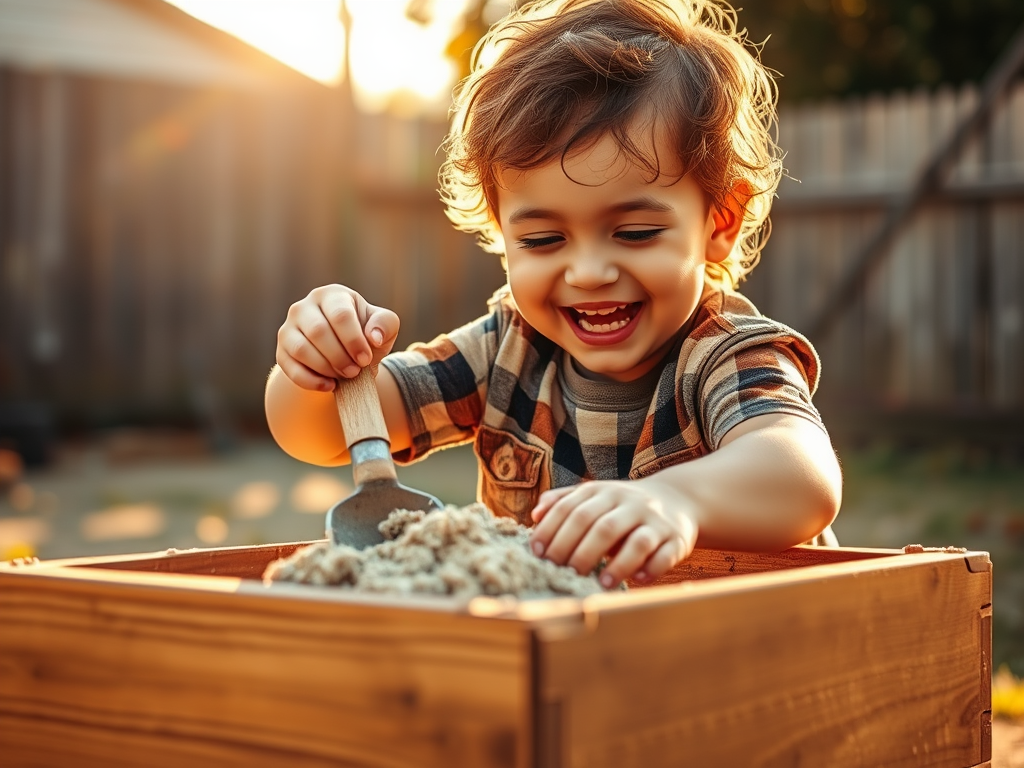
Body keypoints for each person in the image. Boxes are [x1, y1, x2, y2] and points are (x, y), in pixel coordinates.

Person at [265, 0, 842, 590]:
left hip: (739, 657)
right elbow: (322, 436)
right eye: (543, 239)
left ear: (720, 220)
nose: (588, 272)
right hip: (564, 662)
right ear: (502, 232)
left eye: (636, 233)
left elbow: (800, 477)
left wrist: (676, 501)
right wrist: (316, 368)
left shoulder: (725, 357)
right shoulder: (508, 351)